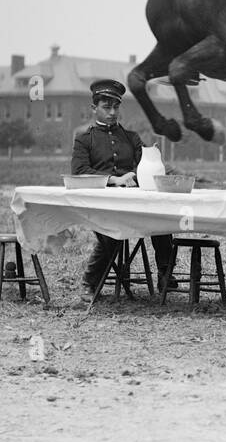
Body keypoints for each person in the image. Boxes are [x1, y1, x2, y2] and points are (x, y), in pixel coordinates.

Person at [71, 79, 175, 298]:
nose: (112, 113)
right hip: (103, 206)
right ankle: (89, 283)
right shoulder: (84, 139)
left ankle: (165, 275)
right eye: (106, 107)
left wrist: (156, 165)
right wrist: (113, 180)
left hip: (134, 204)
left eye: (116, 107)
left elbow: (145, 167)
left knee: (163, 220)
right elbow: (79, 171)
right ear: (94, 108)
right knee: (112, 232)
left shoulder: (131, 138)